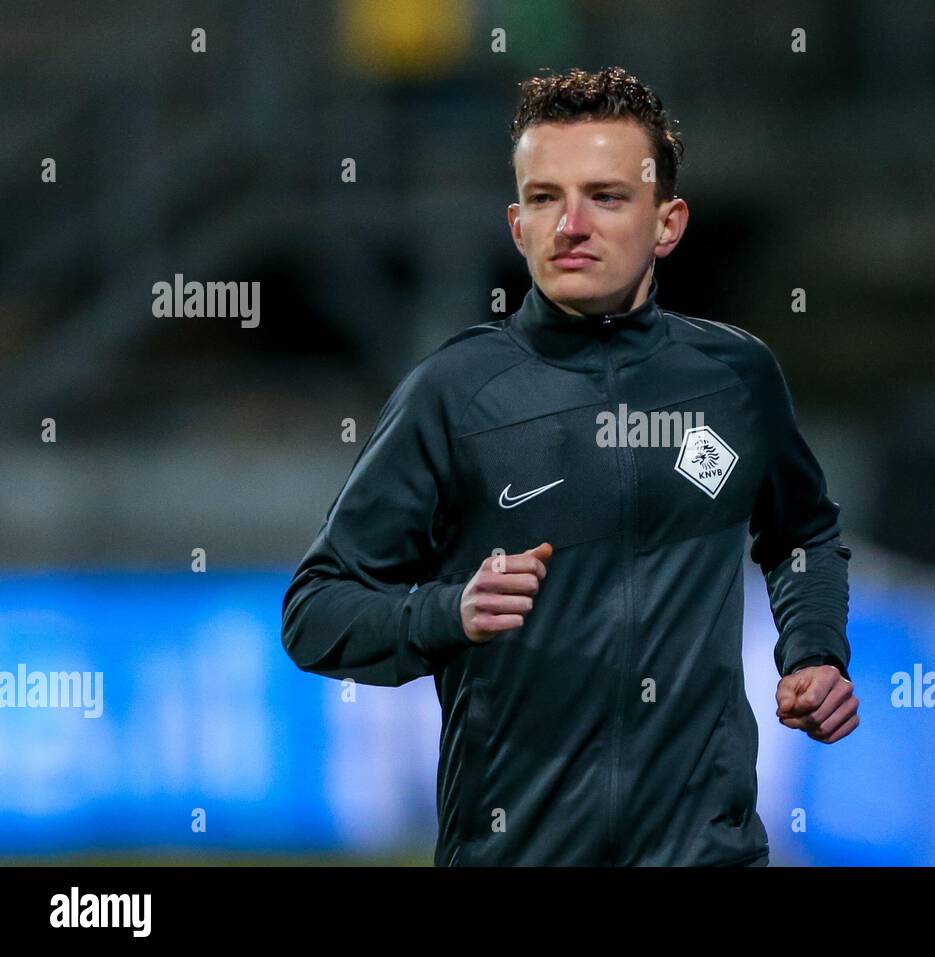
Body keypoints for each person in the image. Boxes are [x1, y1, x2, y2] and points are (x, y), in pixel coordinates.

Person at [281, 66, 858, 866]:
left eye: (607, 196)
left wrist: (815, 651)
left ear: (668, 222)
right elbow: (316, 612)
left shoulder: (736, 377)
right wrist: (447, 613)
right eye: (546, 198)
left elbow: (804, 534)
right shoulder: (454, 393)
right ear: (517, 225)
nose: (571, 224)